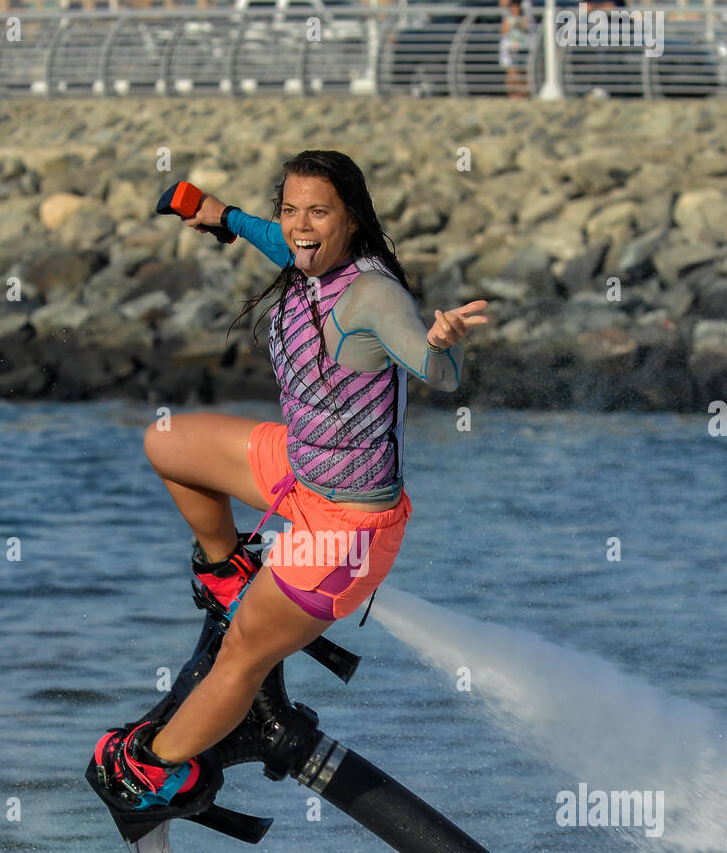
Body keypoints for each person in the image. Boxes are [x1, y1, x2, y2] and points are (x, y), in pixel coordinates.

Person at [93, 150, 488, 815]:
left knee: (243, 649)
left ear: (352, 221)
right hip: (299, 471)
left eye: (318, 212)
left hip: (346, 529)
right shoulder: (303, 253)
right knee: (166, 442)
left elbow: (436, 373)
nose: (300, 227)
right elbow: (275, 237)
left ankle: (158, 774)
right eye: (291, 208)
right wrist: (216, 213)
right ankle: (228, 570)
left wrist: (442, 339)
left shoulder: (373, 294)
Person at [499, 0, 535, 98]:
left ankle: (523, 95)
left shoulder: (525, 3)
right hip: (511, 45)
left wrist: (517, 22)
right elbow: (504, 28)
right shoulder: (507, 8)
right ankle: (513, 95)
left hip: (524, 44)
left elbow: (527, 26)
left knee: (524, 73)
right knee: (512, 72)